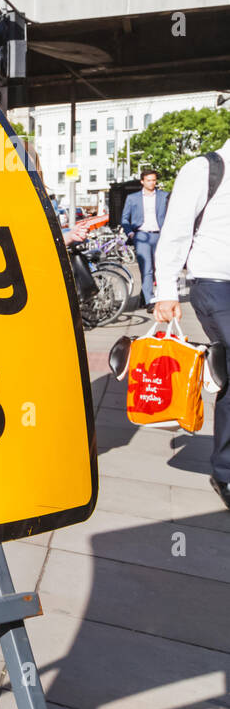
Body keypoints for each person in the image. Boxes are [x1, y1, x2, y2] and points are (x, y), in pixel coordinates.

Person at [153, 140, 230, 510]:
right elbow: (176, 231)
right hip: (213, 283)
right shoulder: (206, 169)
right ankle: (226, 470)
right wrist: (165, 291)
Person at [121, 169, 169, 312]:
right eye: (148, 180)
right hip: (141, 235)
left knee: (158, 268)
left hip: (159, 235)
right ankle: (150, 301)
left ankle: (145, 295)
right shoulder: (132, 198)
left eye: (154, 180)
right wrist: (130, 233)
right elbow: (125, 218)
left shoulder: (164, 196)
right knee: (146, 268)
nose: (151, 183)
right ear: (142, 181)